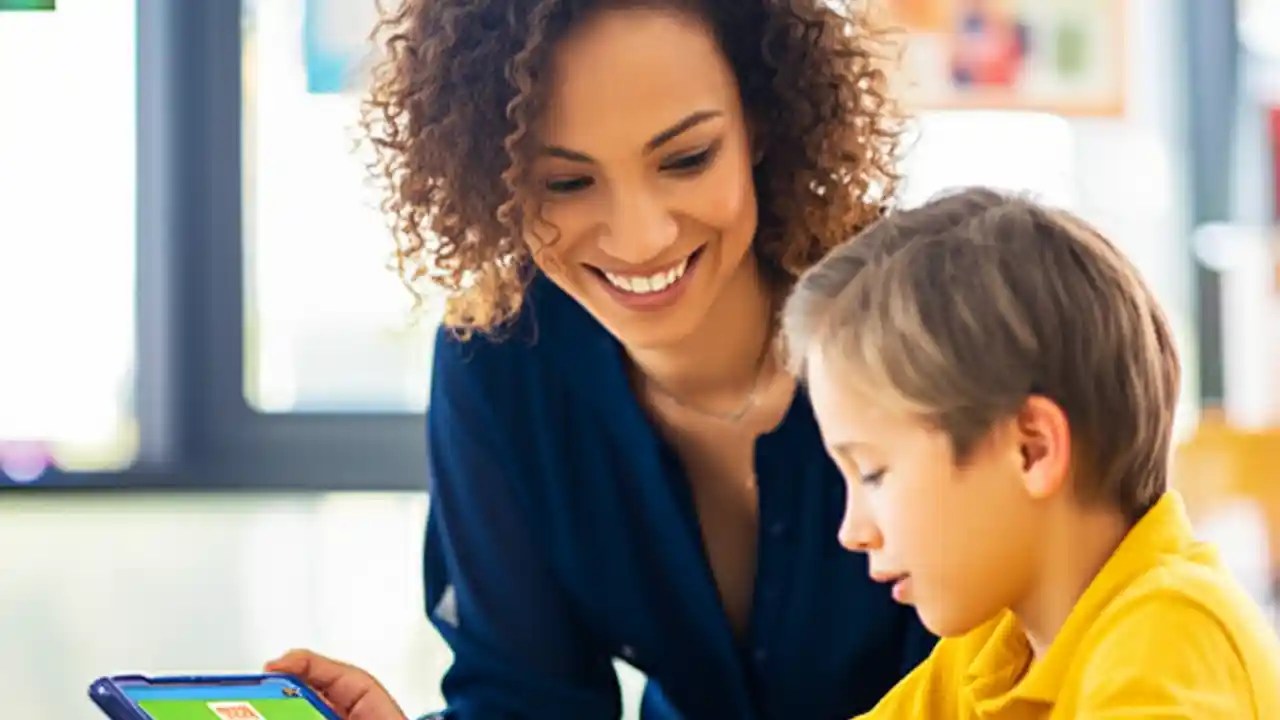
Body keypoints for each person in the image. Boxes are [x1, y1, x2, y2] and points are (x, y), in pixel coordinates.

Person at [265, 0, 935, 718]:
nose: (640, 238)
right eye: (566, 183)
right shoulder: (498, 362)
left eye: (686, 159)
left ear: (761, 121)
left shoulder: (922, 321)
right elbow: (525, 700)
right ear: (499, 179)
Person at [782, 187, 1280, 718]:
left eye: (873, 473)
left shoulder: (1171, 642)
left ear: (1032, 450)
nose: (852, 531)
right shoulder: (996, 649)